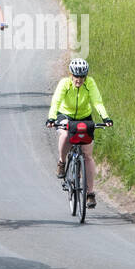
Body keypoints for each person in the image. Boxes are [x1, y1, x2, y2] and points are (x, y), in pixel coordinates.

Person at [45, 58, 111, 208]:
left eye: (82, 77)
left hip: (84, 117)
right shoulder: (64, 84)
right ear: (71, 75)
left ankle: (90, 193)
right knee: (64, 134)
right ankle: (62, 162)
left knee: (87, 155)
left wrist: (105, 117)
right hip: (65, 115)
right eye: (76, 76)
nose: (79, 80)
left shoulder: (90, 83)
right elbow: (56, 101)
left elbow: (97, 101)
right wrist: (51, 118)